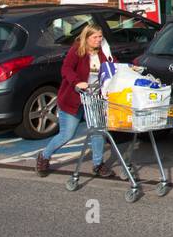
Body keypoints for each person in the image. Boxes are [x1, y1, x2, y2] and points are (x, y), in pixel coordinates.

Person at [35, 23, 115, 179]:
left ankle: (98, 164)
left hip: (94, 98)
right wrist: (77, 82)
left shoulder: (104, 51)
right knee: (67, 134)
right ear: (86, 37)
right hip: (73, 98)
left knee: (98, 131)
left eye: (100, 36)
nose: (98, 40)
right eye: (95, 37)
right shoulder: (77, 50)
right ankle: (44, 156)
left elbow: (113, 66)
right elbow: (66, 69)